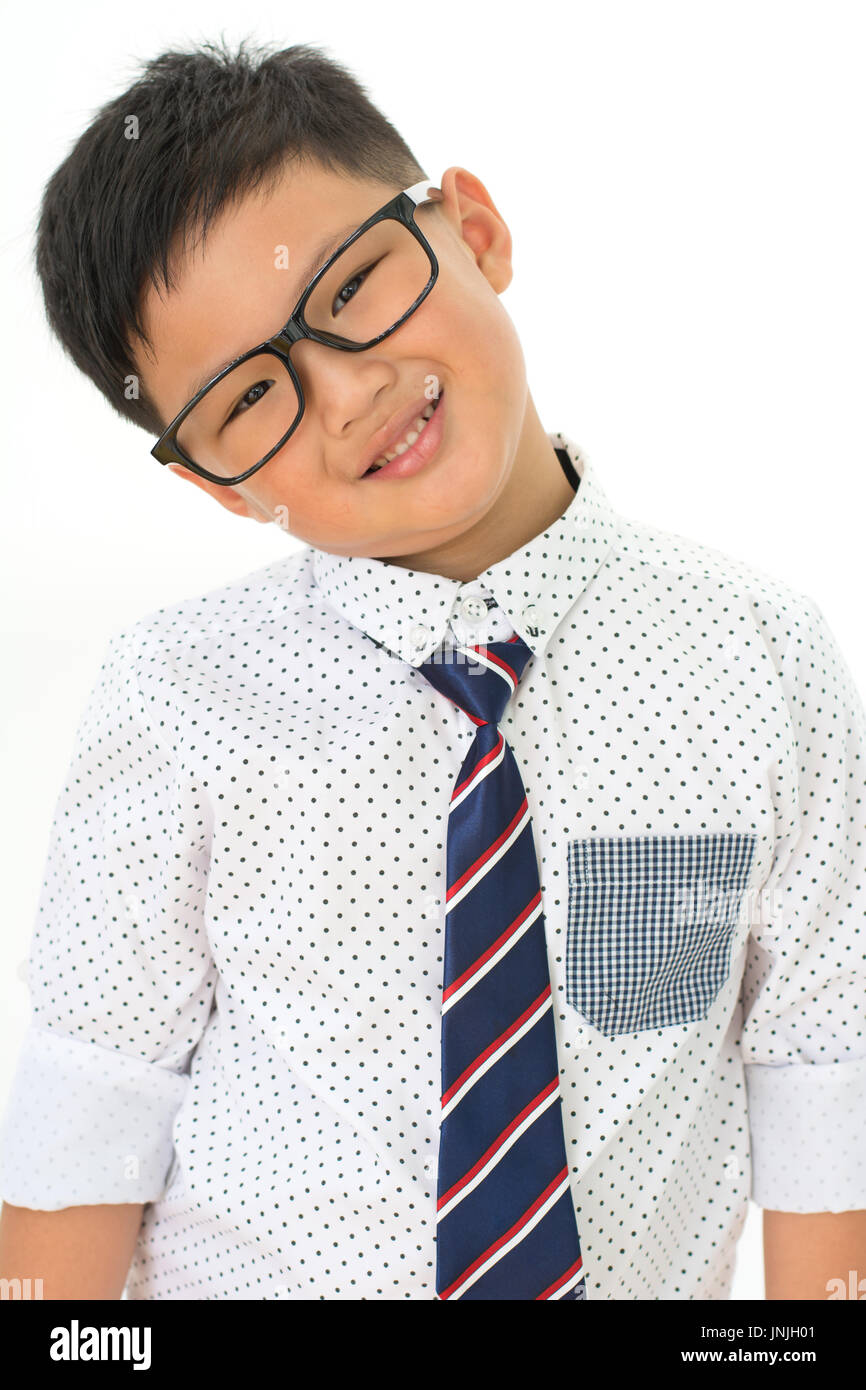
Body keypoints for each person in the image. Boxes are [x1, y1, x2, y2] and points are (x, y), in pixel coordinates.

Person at [0, 37, 864, 1302]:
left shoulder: (756, 662)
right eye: (249, 401)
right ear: (214, 484)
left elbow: (816, 1065)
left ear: (475, 228)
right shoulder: (173, 694)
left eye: (350, 289)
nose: (345, 394)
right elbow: (94, 1097)